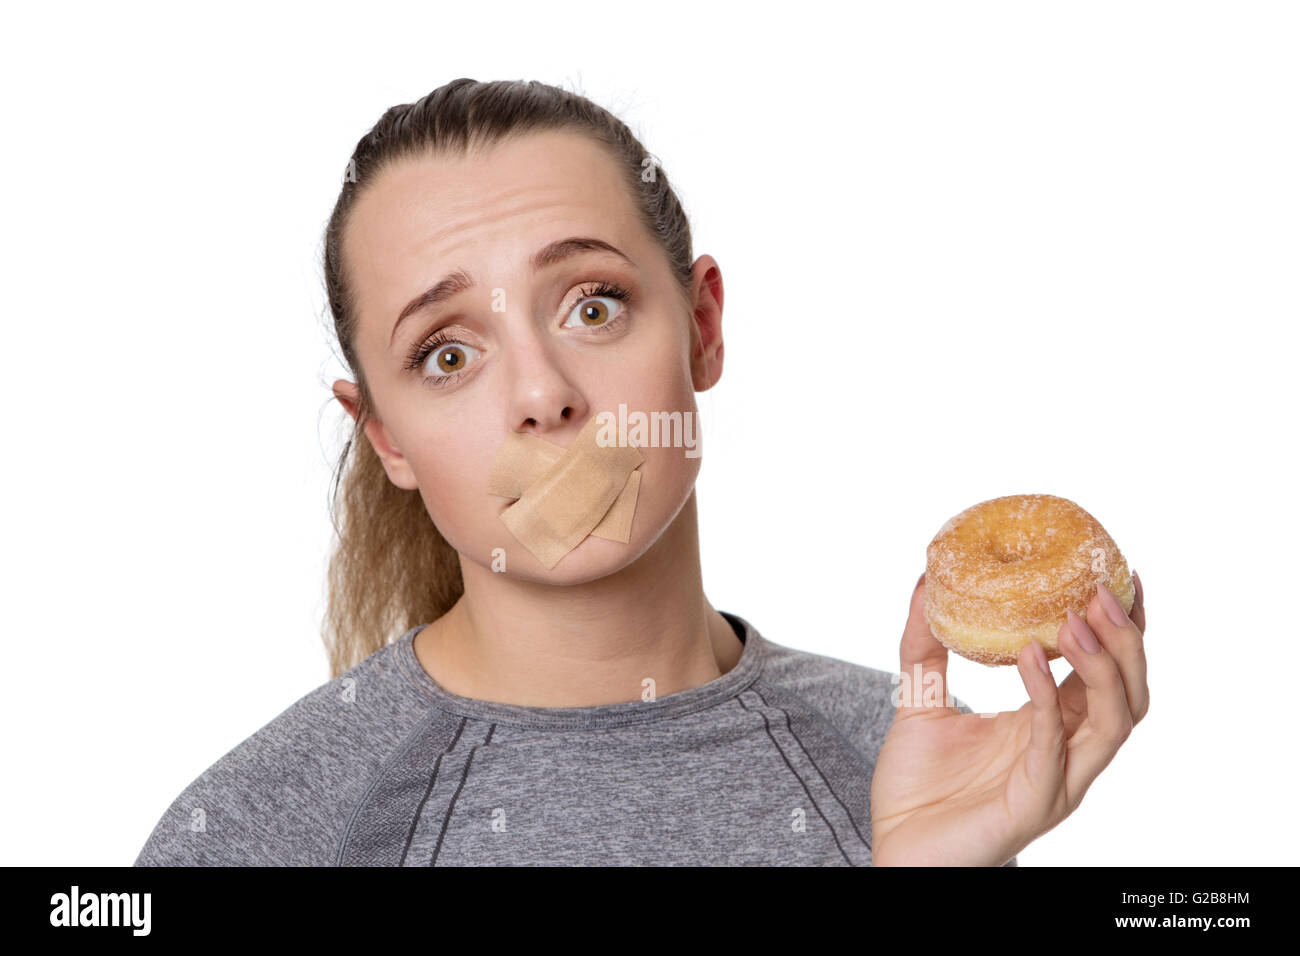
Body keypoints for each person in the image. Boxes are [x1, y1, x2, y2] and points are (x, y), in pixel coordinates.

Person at [134, 78, 1149, 867]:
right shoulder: (267, 826)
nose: (544, 394)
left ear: (701, 326)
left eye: (591, 304)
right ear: (386, 437)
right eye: (447, 353)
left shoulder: (914, 761)